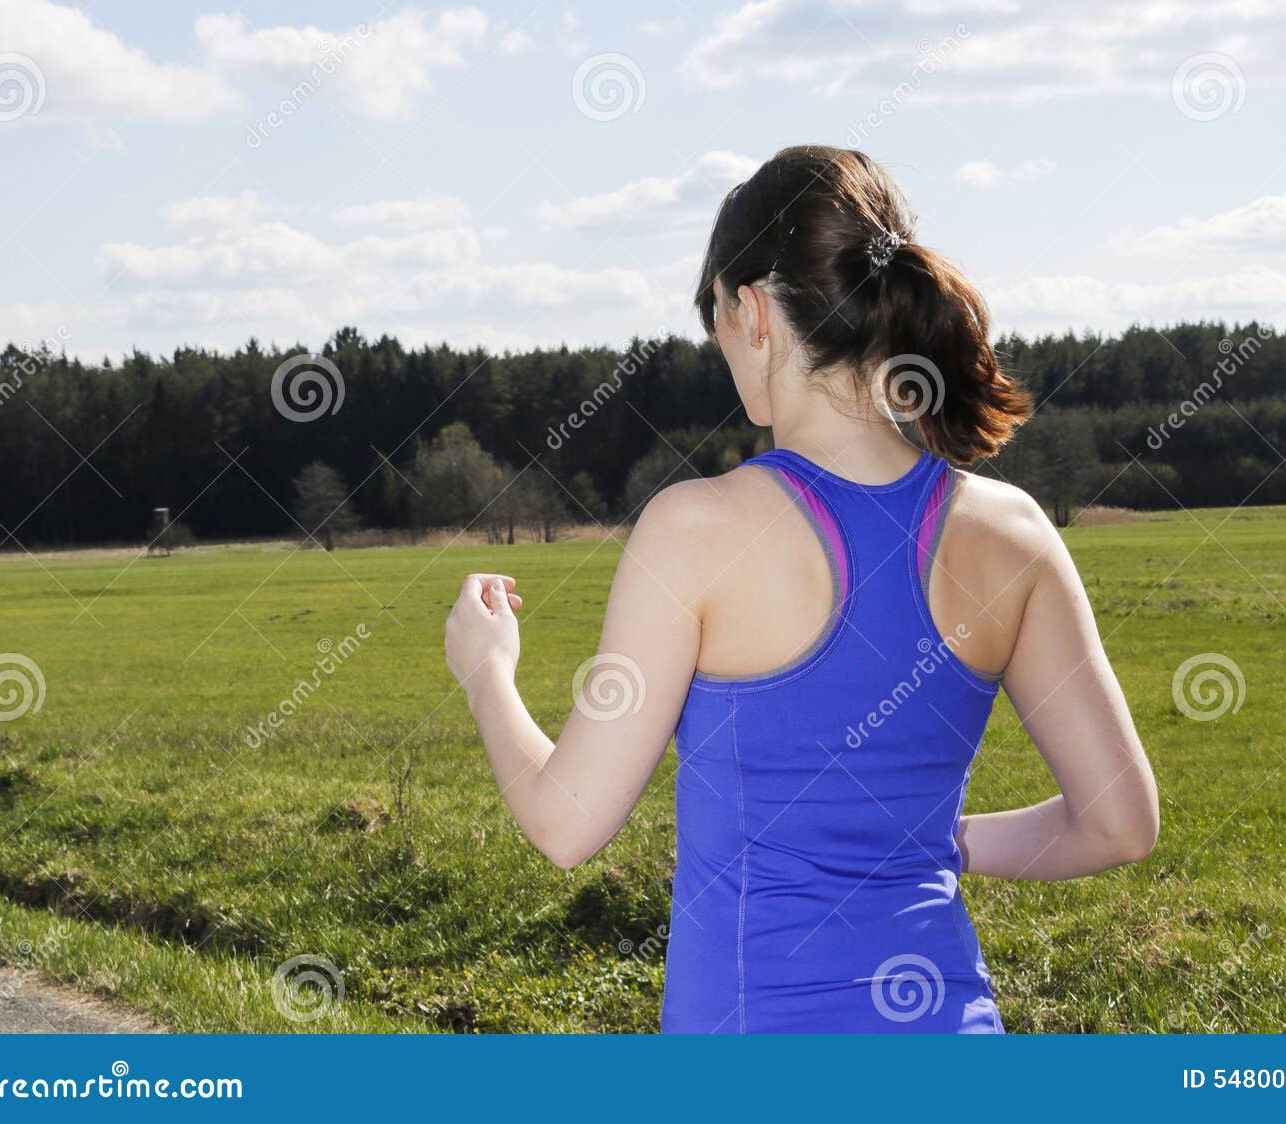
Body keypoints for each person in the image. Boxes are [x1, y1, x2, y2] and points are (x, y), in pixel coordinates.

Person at [444, 145, 1158, 1033]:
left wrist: (487, 674)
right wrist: (932, 843)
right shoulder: (1012, 534)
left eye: (715, 320)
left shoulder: (694, 529)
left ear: (752, 312)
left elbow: (565, 823)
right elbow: (1120, 824)